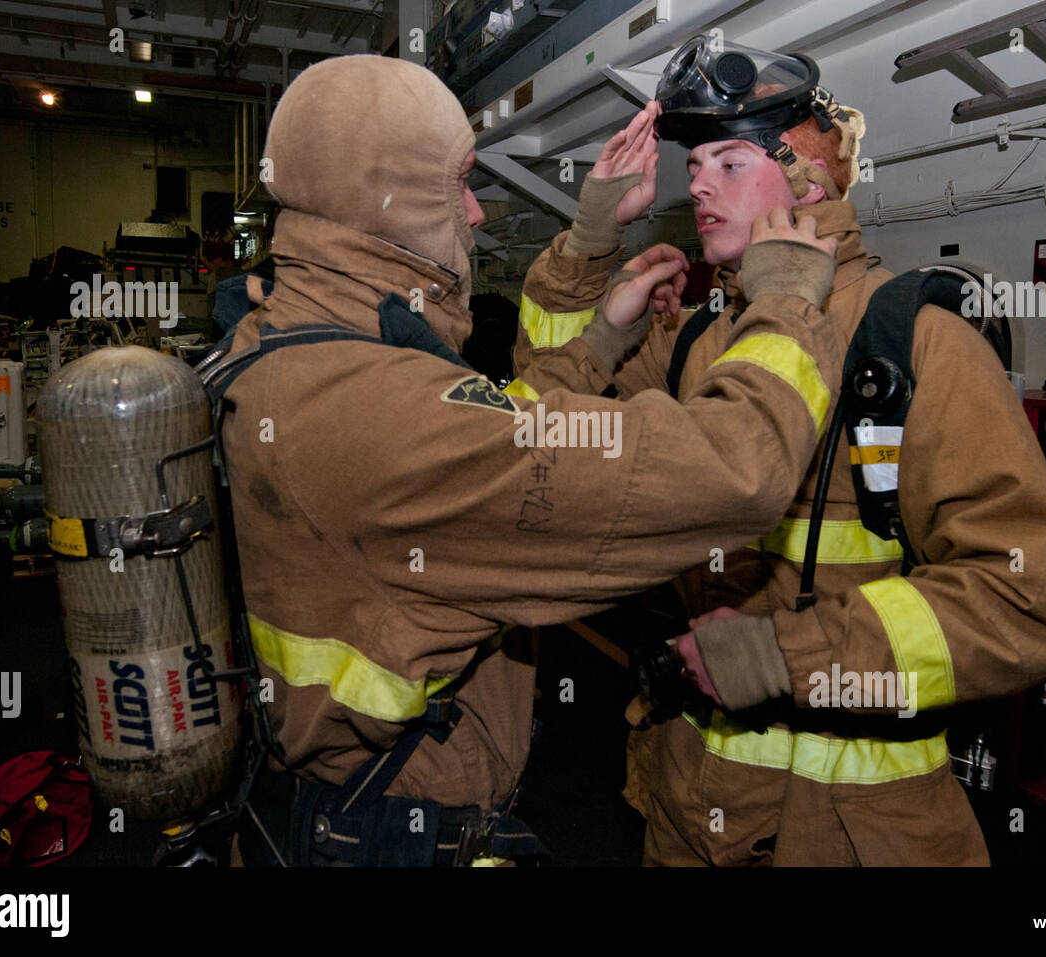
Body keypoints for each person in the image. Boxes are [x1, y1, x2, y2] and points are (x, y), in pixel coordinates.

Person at [221, 53, 850, 866]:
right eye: (459, 184)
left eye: (731, 161)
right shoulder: (376, 416)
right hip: (383, 827)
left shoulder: (292, 346)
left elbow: (503, 428)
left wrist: (601, 336)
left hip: (323, 805)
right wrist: (793, 304)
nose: (477, 215)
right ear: (393, 198)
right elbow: (734, 469)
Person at [514, 36, 1046, 865]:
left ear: (810, 178)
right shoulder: (693, 342)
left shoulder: (918, 344)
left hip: (851, 829)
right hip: (691, 804)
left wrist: (781, 656)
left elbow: (1033, 600)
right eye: (696, 162)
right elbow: (538, 421)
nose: (698, 182)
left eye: (731, 161)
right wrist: (588, 243)